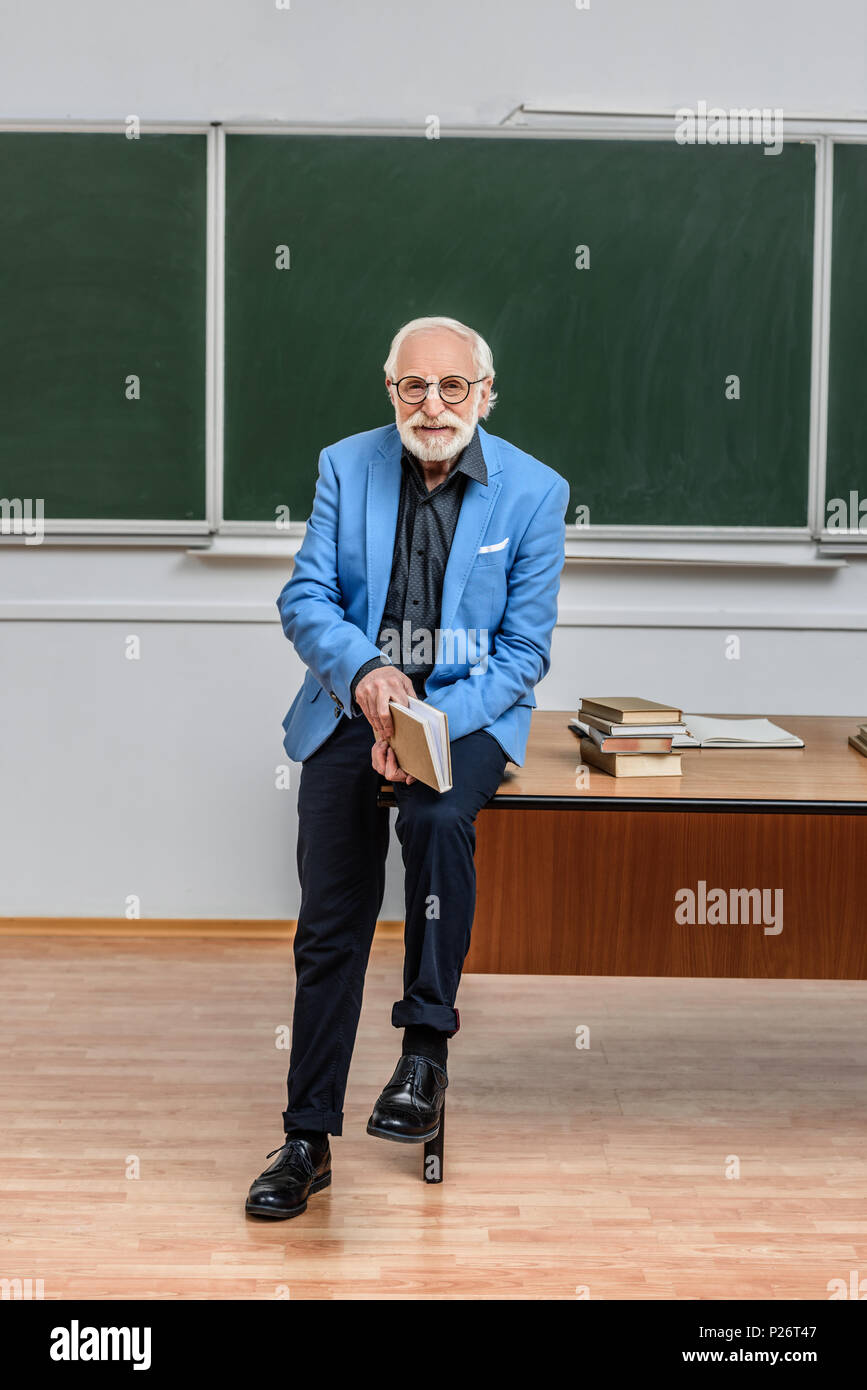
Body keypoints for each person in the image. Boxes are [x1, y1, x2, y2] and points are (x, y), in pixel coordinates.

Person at [246, 315, 569, 1219]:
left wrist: (429, 716)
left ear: (485, 393)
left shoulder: (535, 492)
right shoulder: (345, 466)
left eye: (452, 387)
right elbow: (304, 595)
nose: (433, 406)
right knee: (331, 925)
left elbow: (520, 654)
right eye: (413, 388)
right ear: (391, 393)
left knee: (434, 820)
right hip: (354, 705)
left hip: (464, 712)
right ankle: (305, 1139)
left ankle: (423, 1052)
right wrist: (367, 678)